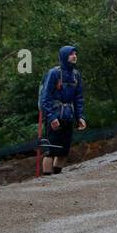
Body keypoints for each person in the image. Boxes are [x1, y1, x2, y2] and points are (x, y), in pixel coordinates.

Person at [39, 46, 87, 176]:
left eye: (75, 54)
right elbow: (45, 98)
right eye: (71, 54)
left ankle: (57, 179)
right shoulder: (54, 73)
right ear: (64, 56)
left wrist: (80, 117)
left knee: (64, 151)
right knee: (51, 150)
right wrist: (51, 117)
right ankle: (46, 181)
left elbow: (78, 98)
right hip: (55, 116)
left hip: (68, 116)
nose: (74, 56)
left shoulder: (76, 75)